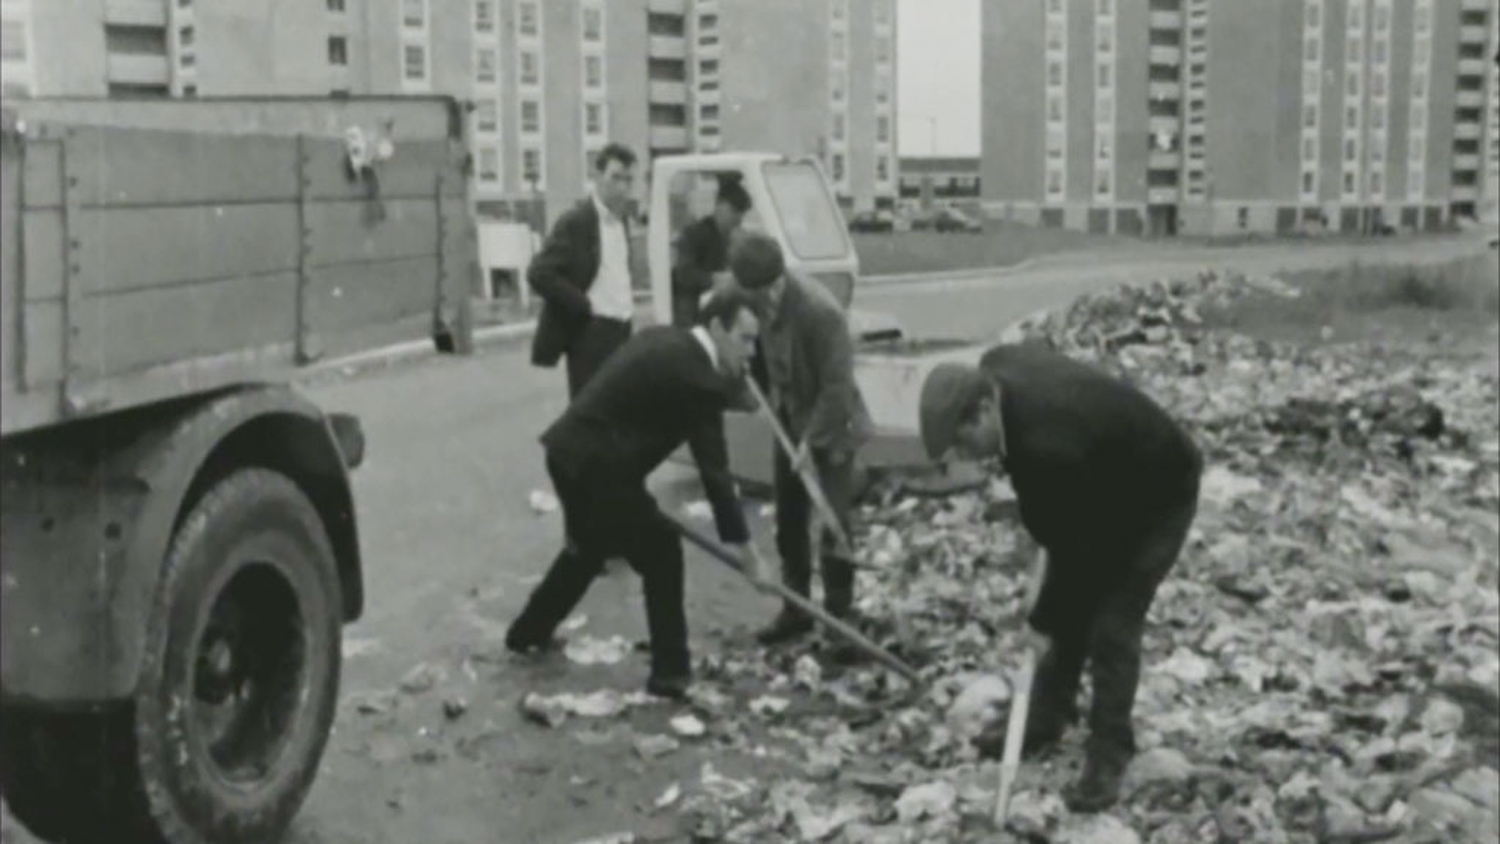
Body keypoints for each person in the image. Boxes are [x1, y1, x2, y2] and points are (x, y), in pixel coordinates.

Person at [918, 344, 1204, 813]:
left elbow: (1077, 560)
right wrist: (1050, 615)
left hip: (1159, 492)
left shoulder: (1048, 448)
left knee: (1112, 624)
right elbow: (1067, 539)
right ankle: (1047, 719)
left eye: (963, 441)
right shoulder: (997, 365)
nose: (966, 457)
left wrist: (1042, 621)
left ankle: (1110, 751)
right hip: (1105, 481)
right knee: (1070, 609)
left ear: (985, 409)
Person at [505, 290, 769, 700]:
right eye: (746, 338)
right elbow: (716, 475)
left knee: (588, 548)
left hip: (566, 454)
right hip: (599, 472)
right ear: (717, 328)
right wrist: (751, 560)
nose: (751, 351)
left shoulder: (669, 340)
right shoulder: (699, 379)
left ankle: (527, 633)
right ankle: (671, 674)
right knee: (662, 552)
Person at [728, 232, 873, 646]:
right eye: (756, 293)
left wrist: (813, 443)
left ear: (777, 279)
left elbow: (837, 387)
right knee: (789, 519)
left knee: (832, 521)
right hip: (789, 418)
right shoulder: (751, 295)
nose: (764, 298)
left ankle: (838, 619)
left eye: (769, 290)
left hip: (833, 423)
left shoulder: (819, 311)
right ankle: (796, 610)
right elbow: (746, 342)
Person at [528, 143, 640, 398]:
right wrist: (581, 303)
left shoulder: (622, 221)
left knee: (618, 409)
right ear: (597, 177)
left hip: (622, 332)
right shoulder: (577, 221)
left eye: (628, 180)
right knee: (588, 413)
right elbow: (539, 273)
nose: (622, 187)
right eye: (615, 177)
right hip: (591, 333)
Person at [671, 175, 753, 328]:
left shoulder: (734, 239)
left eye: (740, 216)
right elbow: (683, 273)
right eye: (734, 212)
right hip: (693, 303)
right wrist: (714, 279)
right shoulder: (694, 233)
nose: (737, 220)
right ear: (719, 205)